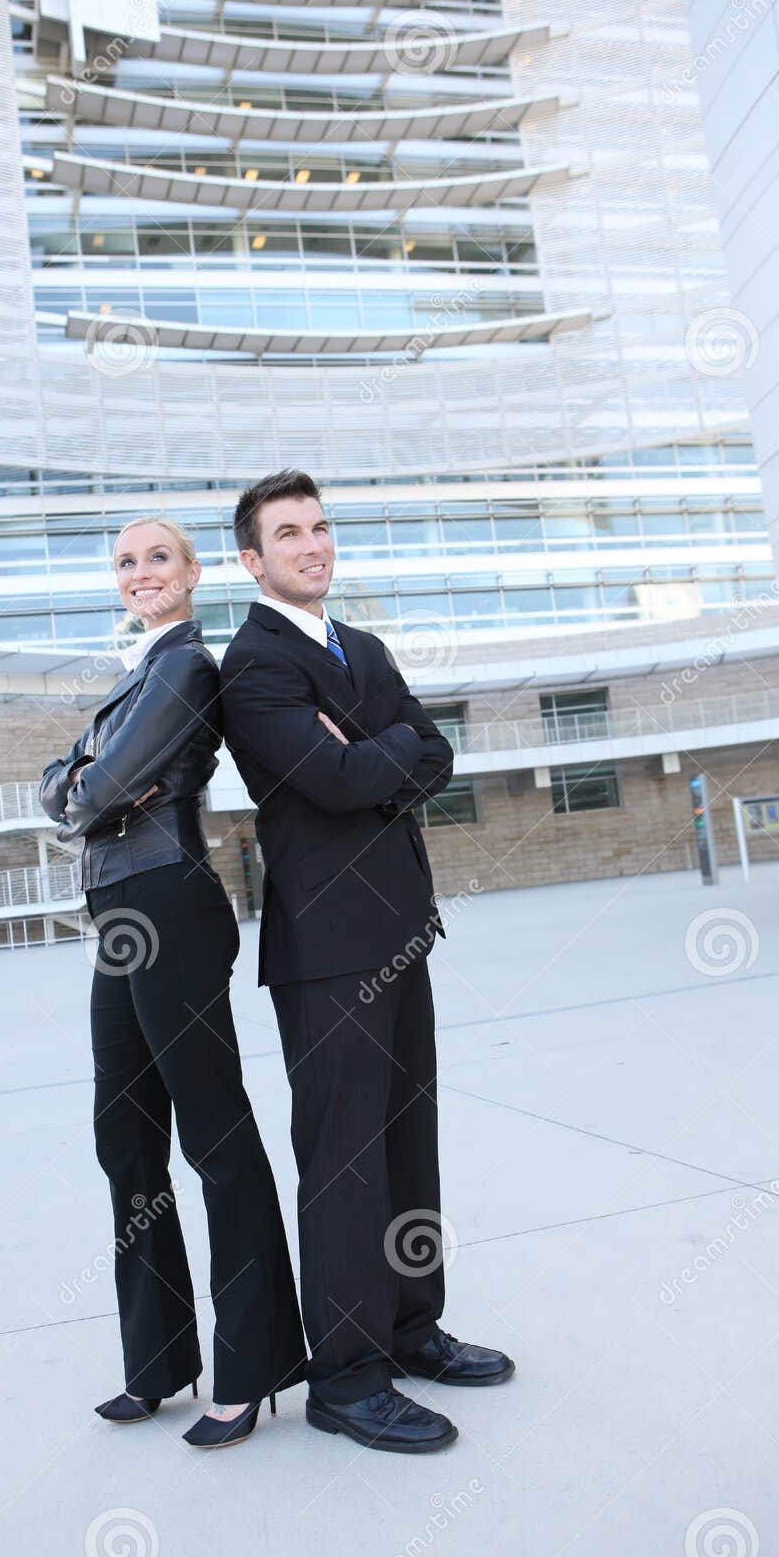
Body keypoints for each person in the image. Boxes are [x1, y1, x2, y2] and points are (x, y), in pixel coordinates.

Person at [219, 469, 515, 1455]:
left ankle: (408, 1326)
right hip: (325, 952)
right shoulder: (252, 665)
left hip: (398, 933)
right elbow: (336, 780)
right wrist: (378, 759)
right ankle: (345, 1377)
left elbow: (432, 753)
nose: (311, 545)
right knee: (341, 1166)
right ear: (252, 559)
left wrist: (374, 752)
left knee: (404, 1148)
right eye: (287, 534)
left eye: (318, 527)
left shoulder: (363, 647)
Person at [39, 517, 306, 1449]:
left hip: (169, 900)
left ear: (193, 574)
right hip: (114, 908)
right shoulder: (131, 677)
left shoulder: (188, 665)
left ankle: (252, 1365)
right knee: (125, 1139)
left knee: (213, 1133)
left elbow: (93, 795)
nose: (141, 572)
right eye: (124, 561)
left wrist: (91, 782)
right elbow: (71, 786)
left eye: (159, 557)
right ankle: (156, 1363)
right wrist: (91, 780)